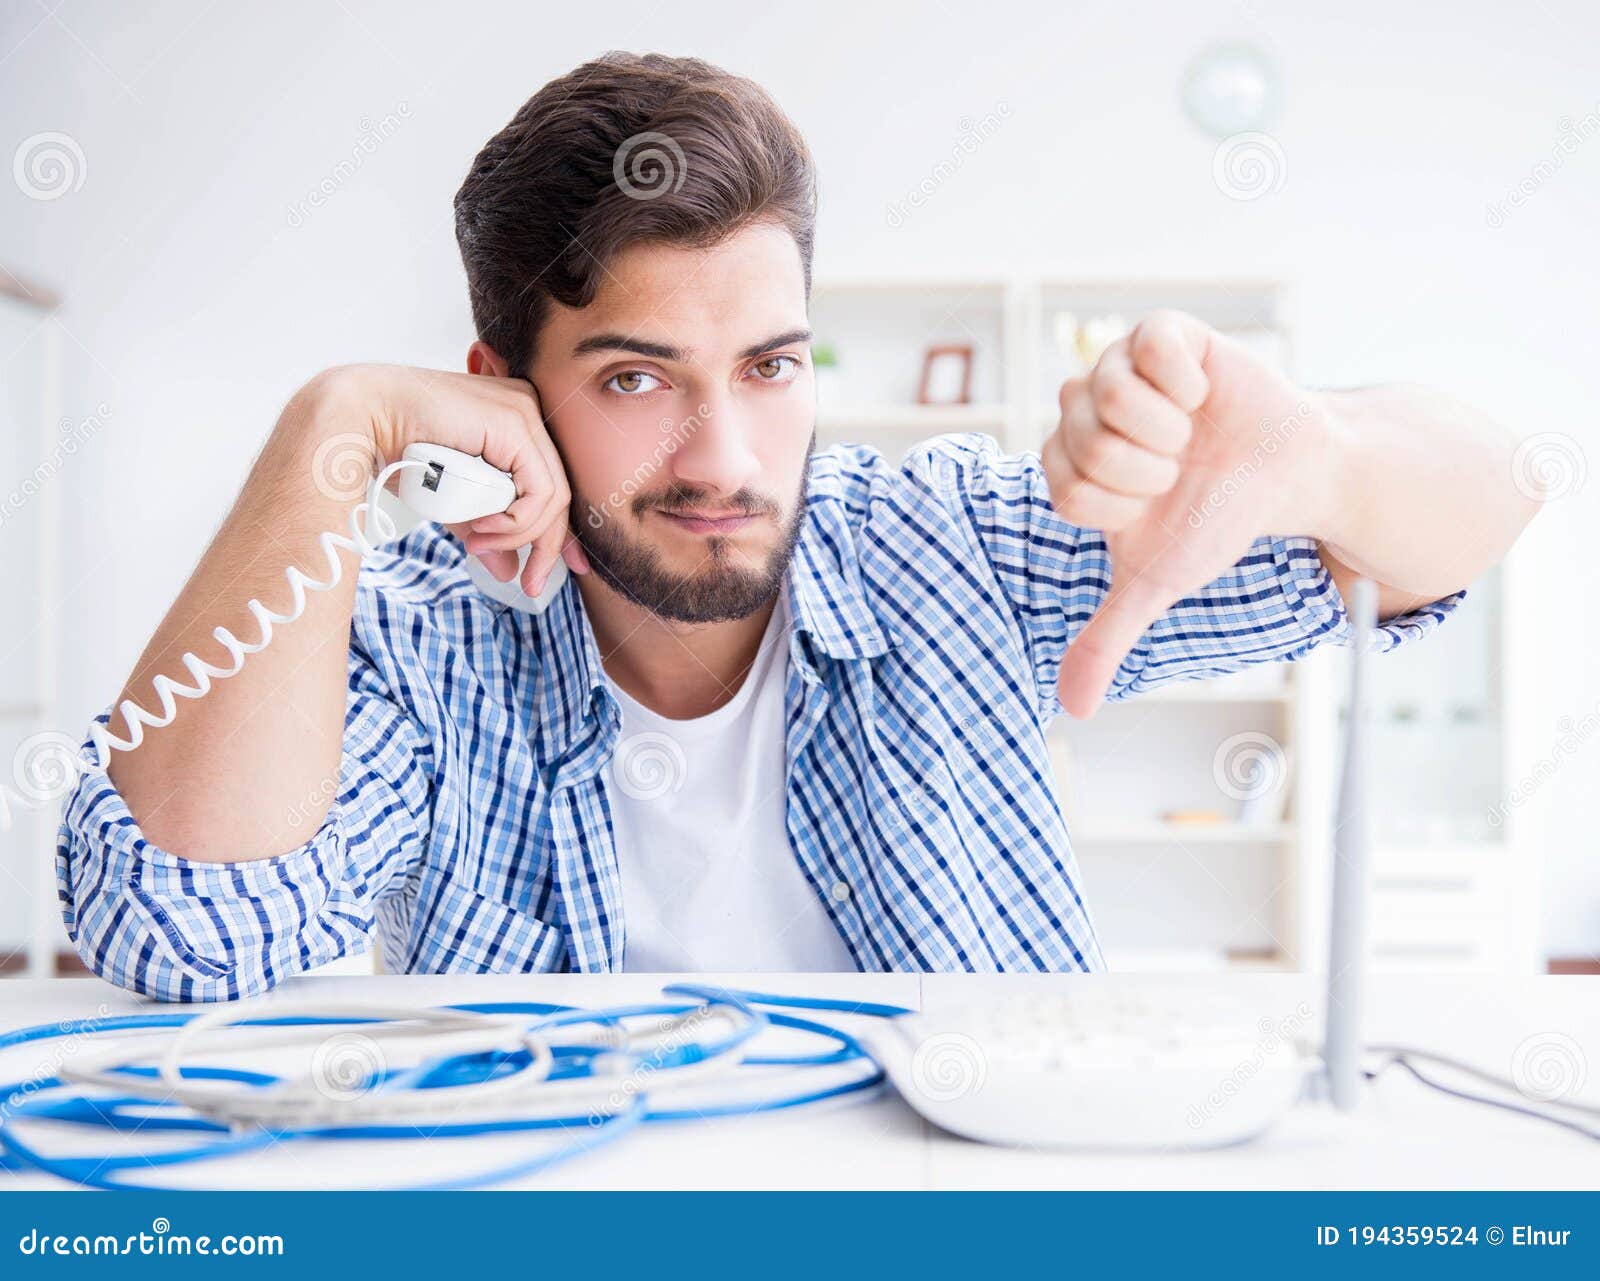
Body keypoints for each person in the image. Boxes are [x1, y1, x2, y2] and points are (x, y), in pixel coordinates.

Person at [56, 52, 1540, 1000]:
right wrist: (330, 430)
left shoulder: (954, 545)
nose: (726, 455)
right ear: (500, 395)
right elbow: (182, 931)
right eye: (638, 377)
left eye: (769, 368)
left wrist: (1331, 452)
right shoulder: (412, 646)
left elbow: (1481, 511)